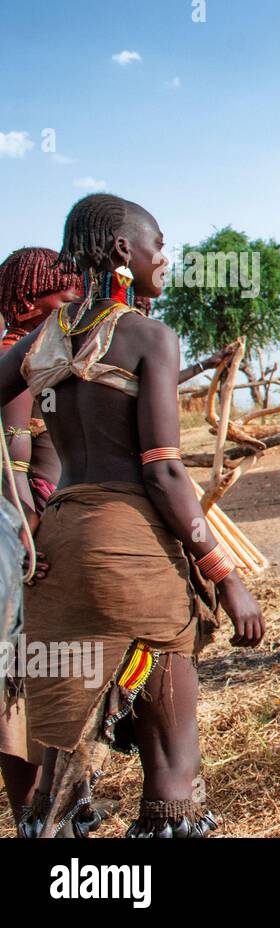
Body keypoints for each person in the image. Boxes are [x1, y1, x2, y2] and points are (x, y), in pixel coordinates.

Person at [0, 193, 266, 837]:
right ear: (124, 251)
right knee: (172, 759)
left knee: (56, 747)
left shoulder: (42, 341)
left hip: (58, 557)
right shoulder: (148, 337)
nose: (165, 260)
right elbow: (164, 470)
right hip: (131, 552)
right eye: (158, 245)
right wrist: (225, 576)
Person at [0, 247, 81, 834]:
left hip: (40, 533)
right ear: (31, 299)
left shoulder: (49, 359)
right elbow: (14, 470)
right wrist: (33, 536)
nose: (72, 302)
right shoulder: (15, 359)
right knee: (19, 684)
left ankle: (50, 810)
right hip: (21, 544)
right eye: (62, 293)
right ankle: (33, 814)